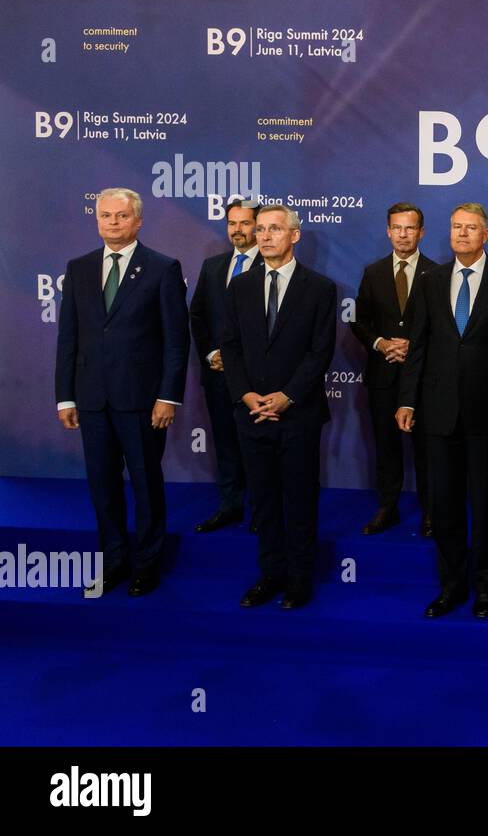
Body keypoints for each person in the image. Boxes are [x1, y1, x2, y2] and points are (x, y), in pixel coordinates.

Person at [397, 203, 488, 620]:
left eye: (470, 228)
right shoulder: (431, 281)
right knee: (444, 505)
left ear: (485, 235)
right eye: (456, 227)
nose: (462, 234)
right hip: (438, 412)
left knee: (486, 503)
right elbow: (417, 346)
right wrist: (407, 398)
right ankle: (451, 587)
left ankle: (485, 588)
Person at [55, 188, 189, 597]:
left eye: (121, 215)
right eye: (105, 215)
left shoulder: (162, 268)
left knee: (147, 483)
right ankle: (113, 561)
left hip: (143, 402)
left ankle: (147, 565)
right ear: (96, 219)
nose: (112, 222)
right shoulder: (78, 269)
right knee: (102, 484)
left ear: (138, 221)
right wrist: (66, 396)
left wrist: (168, 396)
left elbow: (175, 341)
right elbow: (69, 338)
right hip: (92, 400)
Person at [222, 205, 337, 611]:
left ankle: (299, 579)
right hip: (251, 413)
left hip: (299, 414)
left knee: (299, 499)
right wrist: (247, 395)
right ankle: (270, 574)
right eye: (260, 229)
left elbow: (320, 351)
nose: (265, 236)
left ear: (295, 235)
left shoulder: (320, 288)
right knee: (264, 501)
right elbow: (230, 348)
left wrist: (288, 396)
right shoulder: (240, 287)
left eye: (274, 229)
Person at [350, 203, 436, 537]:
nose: (403, 234)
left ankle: (431, 512)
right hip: (383, 374)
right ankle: (388, 508)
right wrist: (382, 344)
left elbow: (441, 327)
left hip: (424, 377)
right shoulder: (373, 272)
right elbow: (359, 320)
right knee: (386, 447)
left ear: (421, 232)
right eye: (397, 228)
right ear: (388, 231)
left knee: (428, 450)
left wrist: (413, 347)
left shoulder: (437, 273)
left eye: (410, 228)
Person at [189, 199, 259, 533]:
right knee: (227, 444)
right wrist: (209, 354)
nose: (238, 230)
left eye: (245, 223)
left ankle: (262, 512)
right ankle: (230, 505)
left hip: (257, 378)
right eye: (232, 223)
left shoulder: (272, 266)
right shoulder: (213, 266)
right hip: (217, 375)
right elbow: (198, 316)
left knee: (259, 446)